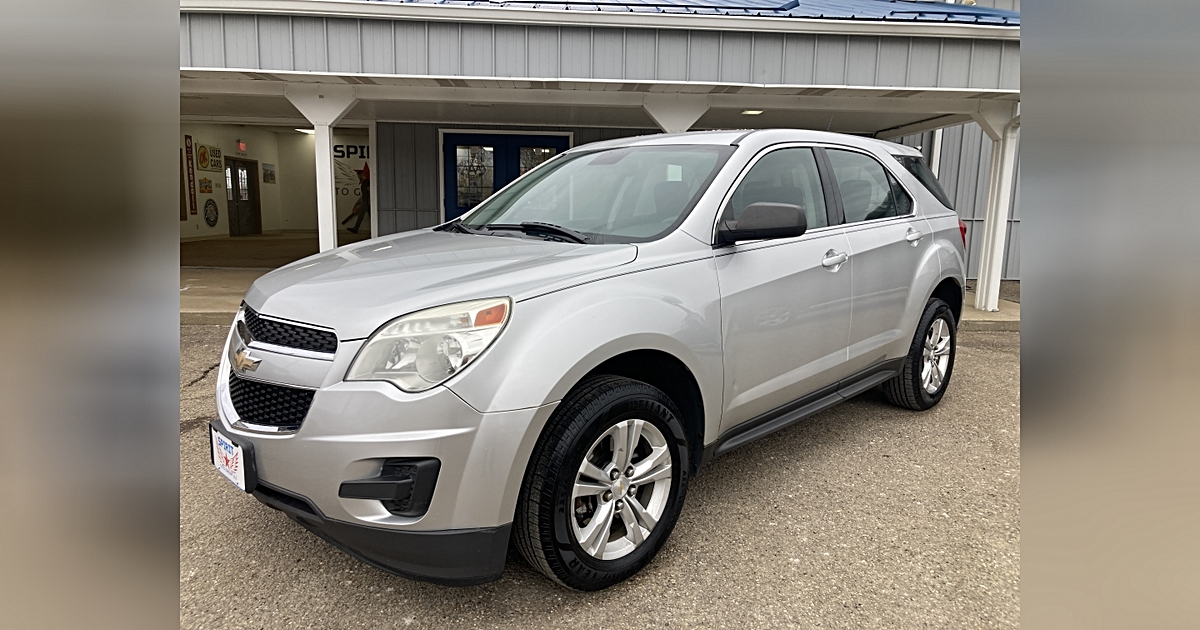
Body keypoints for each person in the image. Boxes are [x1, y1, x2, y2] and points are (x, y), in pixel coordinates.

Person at [342, 162, 371, 234]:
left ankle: (356, 228)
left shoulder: (366, 183)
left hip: (366, 202)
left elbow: (369, 193)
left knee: (361, 215)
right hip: (366, 202)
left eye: (358, 175)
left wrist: (366, 202)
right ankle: (356, 228)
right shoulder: (366, 182)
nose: (357, 176)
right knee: (370, 216)